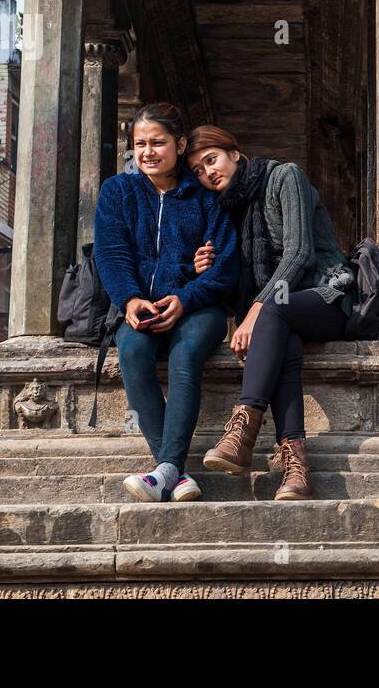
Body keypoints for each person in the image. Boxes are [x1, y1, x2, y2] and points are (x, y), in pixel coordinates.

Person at [187, 125, 355, 501]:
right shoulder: (228, 210)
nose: (207, 172)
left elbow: (299, 254)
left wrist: (254, 314)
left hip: (327, 294)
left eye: (211, 160)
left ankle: (242, 429)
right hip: (283, 315)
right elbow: (239, 292)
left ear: (234, 151)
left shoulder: (284, 176)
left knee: (274, 314)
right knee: (285, 343)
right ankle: (296, 470)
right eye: (198, 170)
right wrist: (208, 269)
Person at [94, 103, 239, 503]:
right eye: (139, 144)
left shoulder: (206, 198)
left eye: (157, 142)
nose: (147, 152)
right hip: (140, 306)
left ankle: (164, 471)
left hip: (198, 309)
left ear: (178, 143)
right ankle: (173, 472)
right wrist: (130, 299)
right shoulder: (118, 191)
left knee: (186, 354)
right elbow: (111, 254)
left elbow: (224, 268)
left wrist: (186, 295)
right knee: (134, 351)